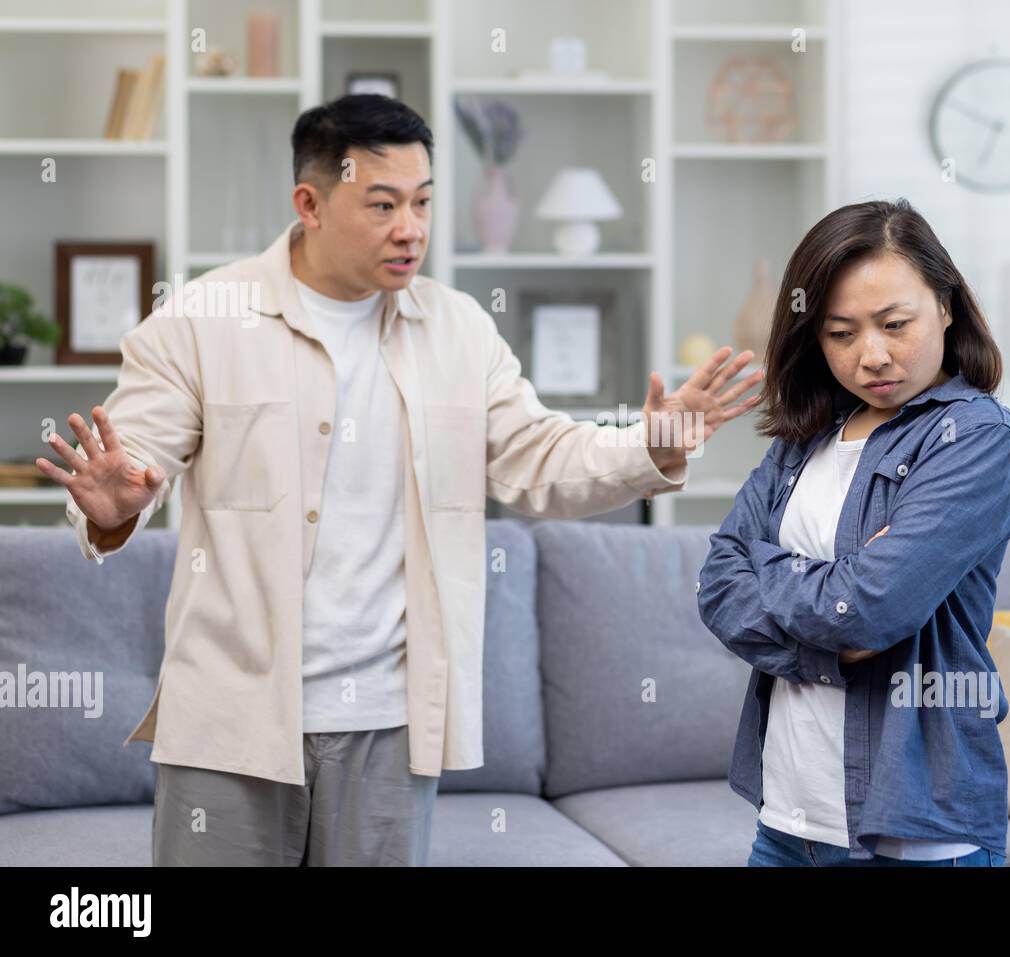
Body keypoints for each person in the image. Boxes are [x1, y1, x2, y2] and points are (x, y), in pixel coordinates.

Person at [34, 94, 761, 866]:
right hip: (230, 717)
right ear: (308, 203)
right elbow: (133, 456)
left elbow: (540, 459)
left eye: (422, 202)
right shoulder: (201, 319)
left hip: (391, 721)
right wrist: (115, 509)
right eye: (382, 204)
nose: (410, 227)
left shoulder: (458, 329)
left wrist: (650, 445)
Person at [696, 198, 1010, 867]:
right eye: (841, 333)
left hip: (916, 837)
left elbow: (869, 609)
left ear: (947, 305)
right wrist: (832, 618)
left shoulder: (974, 436)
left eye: (894, 323)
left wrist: (777, 571)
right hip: (786, 823)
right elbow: (718, 585)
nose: (871, 355)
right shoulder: (804, 438)